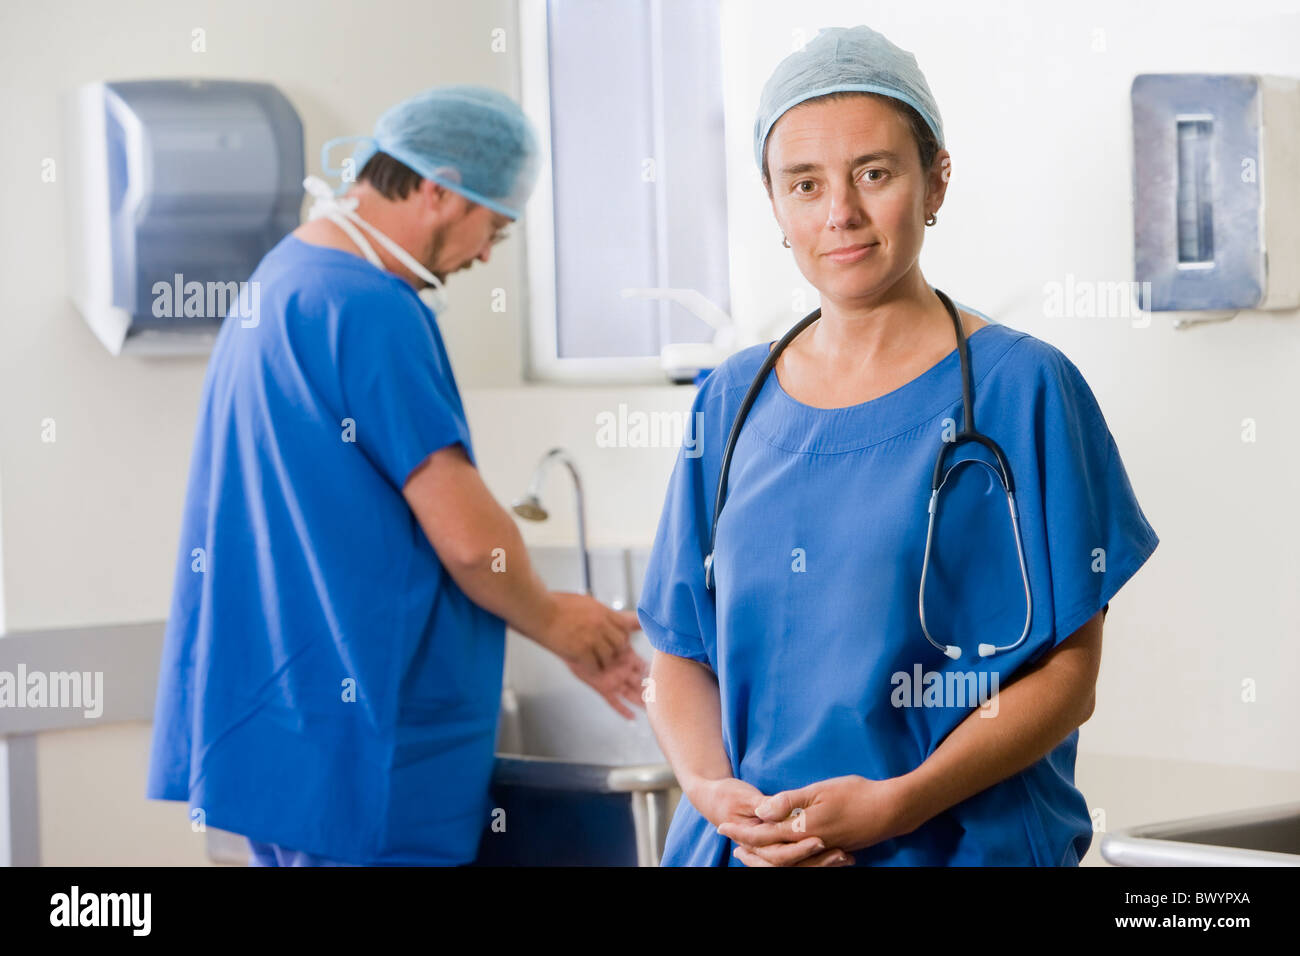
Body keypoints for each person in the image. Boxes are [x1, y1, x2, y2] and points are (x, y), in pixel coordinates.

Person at [637, 26, 1160, 867]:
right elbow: (676, 654)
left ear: (935, 181)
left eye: (873, 174)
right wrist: (710, 792)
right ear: (775, 203)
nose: (838, 212)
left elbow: (1067, 679)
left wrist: (897, 806)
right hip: (741, 851)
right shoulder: (731, 401)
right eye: (804, 184)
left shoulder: (1021, 390)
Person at [147, 85, 644, 866]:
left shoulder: (279, 283)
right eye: (496, 227)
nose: (485, 255)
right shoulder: (371, 308)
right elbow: (475, 544)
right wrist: (557, 622)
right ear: (438, 188)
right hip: (366, 749)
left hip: (286, 744)